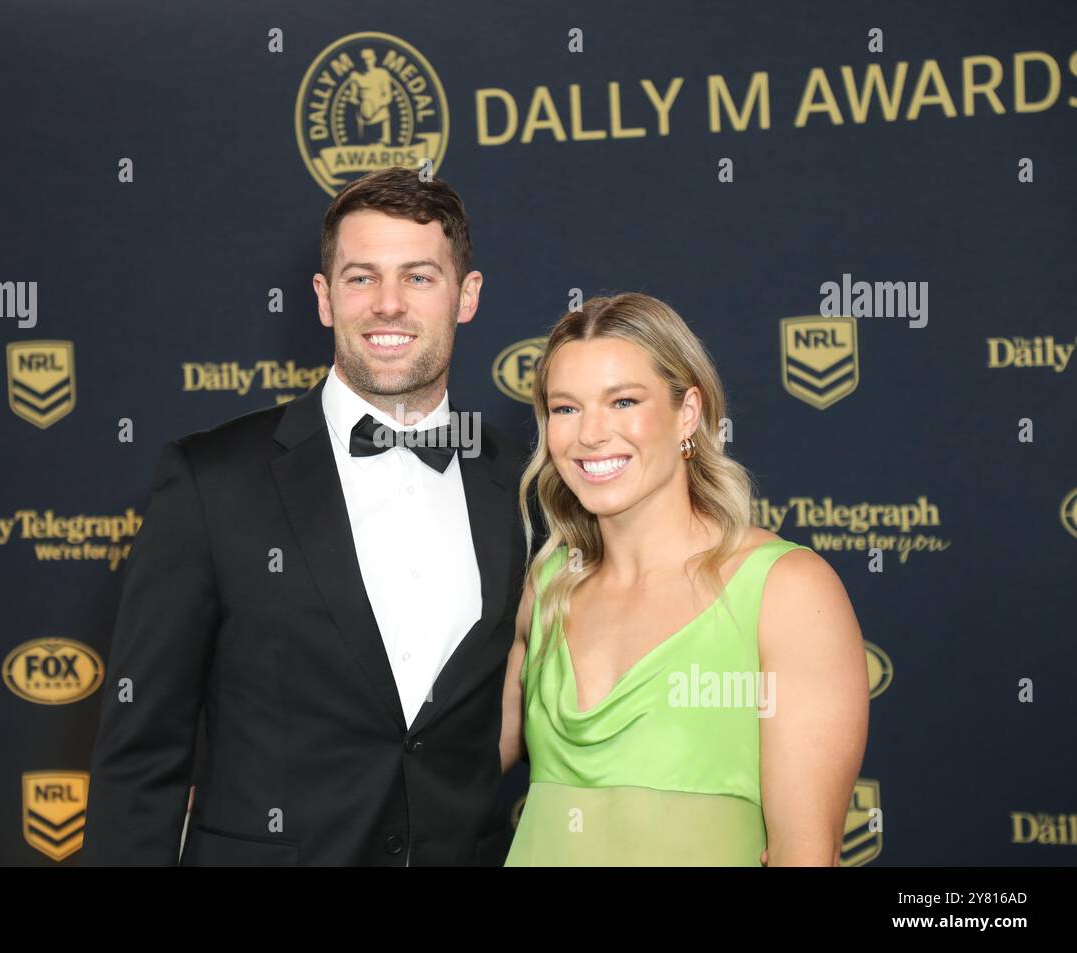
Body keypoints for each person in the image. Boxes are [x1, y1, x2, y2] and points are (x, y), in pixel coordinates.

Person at [81, 166, 528, 865]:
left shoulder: (520, 484)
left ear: (466, 296)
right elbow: (139, 760)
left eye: (419, 277)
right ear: (323, 298)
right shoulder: (211, 482)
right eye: (360, 278)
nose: (388, 304)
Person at [498, 293, 869, 866]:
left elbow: (805, 856)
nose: (590, 434)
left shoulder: (785, 590)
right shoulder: (549, 582)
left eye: (622, 401)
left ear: (688, 413)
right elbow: (451, 757)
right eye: (565, 409)